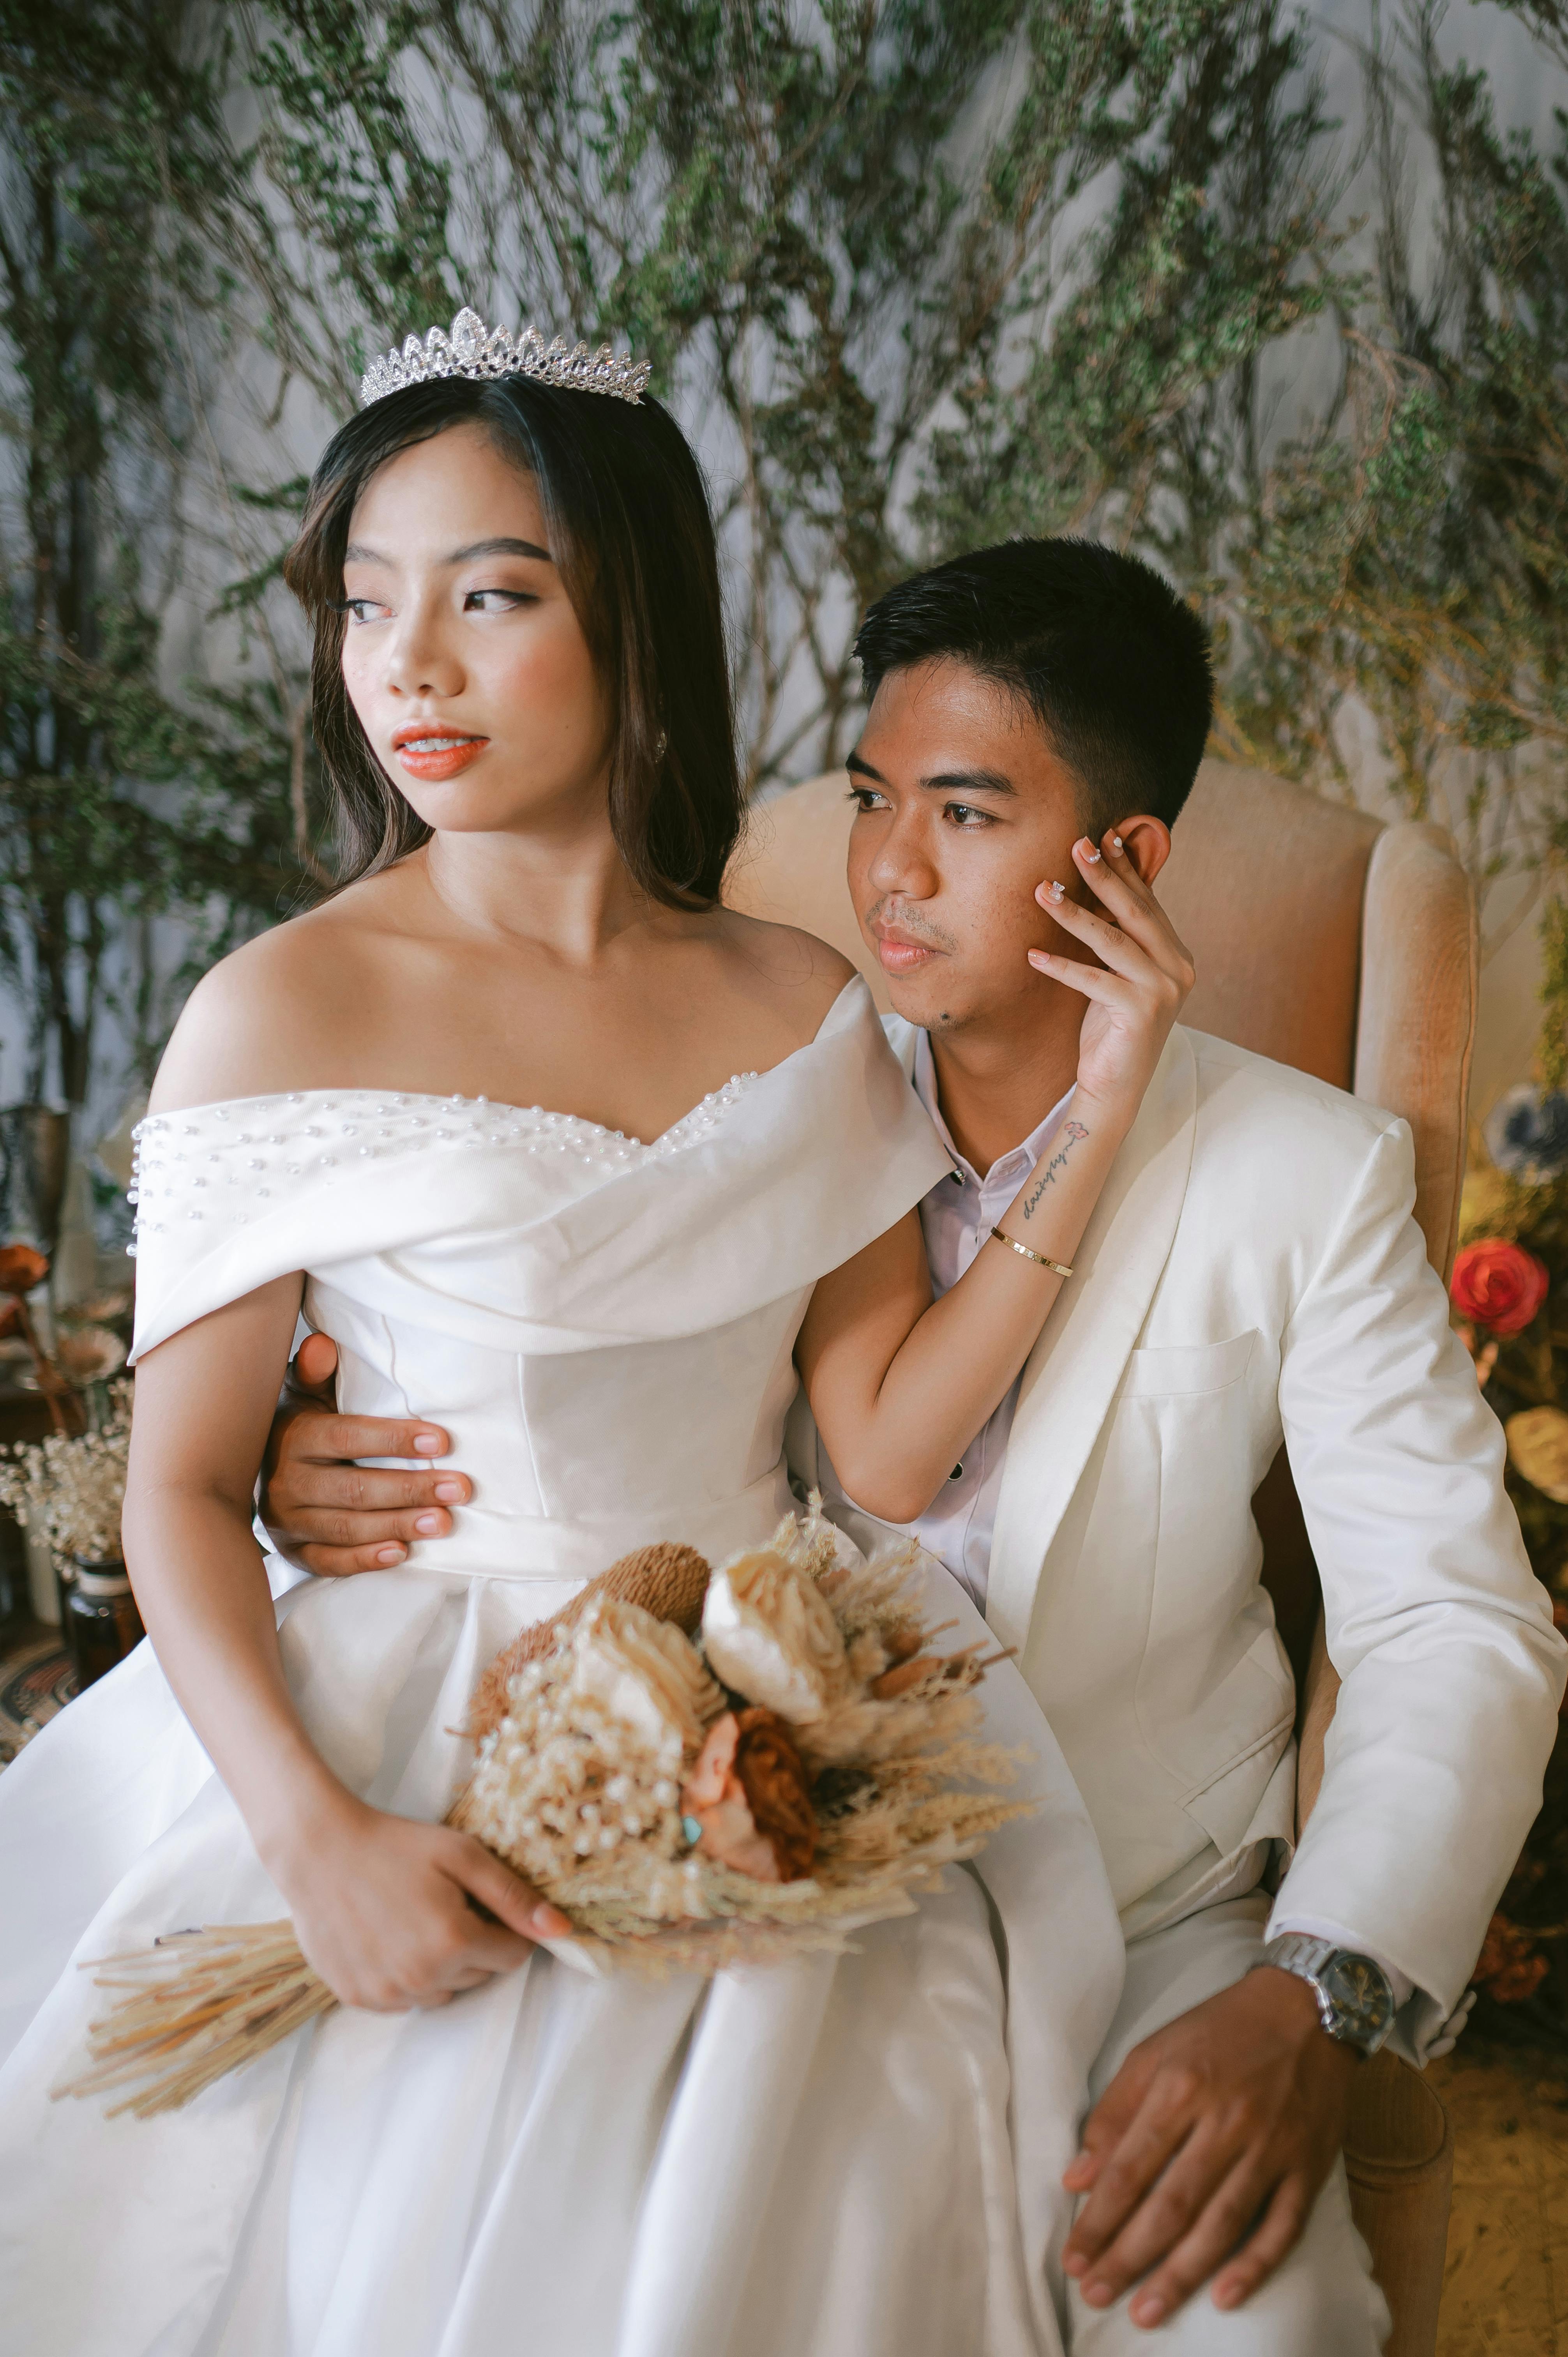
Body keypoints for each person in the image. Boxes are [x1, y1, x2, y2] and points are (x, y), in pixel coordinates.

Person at [0, 324, 1199, 2357]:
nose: (414, 668)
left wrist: (1099, 1108)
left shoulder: (805, 1004)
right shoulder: (281, 1011)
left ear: (629, 611)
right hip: (385, 1735)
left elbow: (885, 1450)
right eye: (368, 604)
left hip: (736, 1739)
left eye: (490, 597)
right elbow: (188, 1490)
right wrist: (320, 1845)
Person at [270, 535, 1568, 2353]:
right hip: (765, 1899)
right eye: (874, 798)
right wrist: (301, 1439)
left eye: (965, 813)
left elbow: (1453, 1621)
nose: (886, 867)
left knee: (1250, 2333)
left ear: (1125, 861)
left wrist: (1310, 1998)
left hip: (1140, 1903)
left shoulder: (1298, 1175)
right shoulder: (771, 1091)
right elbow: (531, 1346)